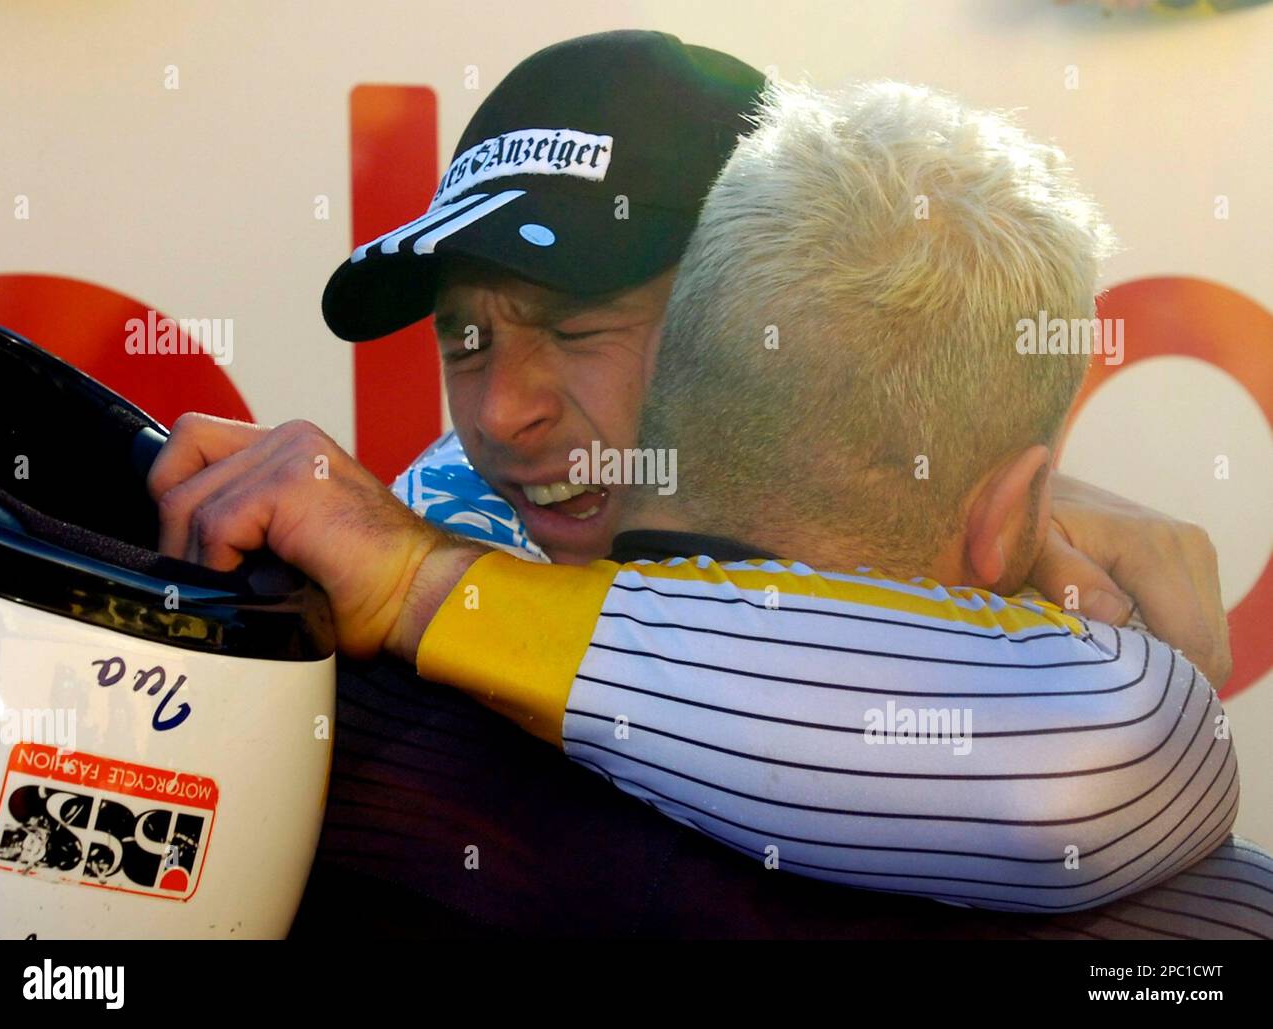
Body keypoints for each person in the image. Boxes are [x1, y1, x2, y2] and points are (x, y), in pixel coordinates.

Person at [149, 33, 1264, 935]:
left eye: (576, 324)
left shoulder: (1007, 557)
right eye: (463, 337)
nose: (500, 410)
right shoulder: (447, 505)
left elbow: (1092, 763)